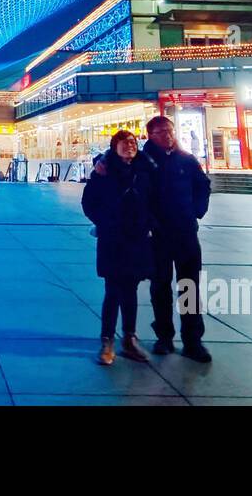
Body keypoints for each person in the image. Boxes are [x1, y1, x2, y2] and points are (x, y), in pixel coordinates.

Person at [82, 130, 156, 366]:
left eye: (133, 142)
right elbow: (89, 202)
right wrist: (105, 223)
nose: (129, 146)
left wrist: (148, 223)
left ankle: (129, 338)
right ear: (114, 147)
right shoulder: (103, 172)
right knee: (112, 290)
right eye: (123, 143)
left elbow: (154, 200)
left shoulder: (145, 170)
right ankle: (107, 341)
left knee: (131, 290)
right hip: (113, 239)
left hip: (137, 239)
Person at [144, 116, 213, 363]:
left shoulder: (186, 159)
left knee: (189, 286)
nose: (168, 135)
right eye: (161, 131)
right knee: (160, 286)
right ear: (150, 135)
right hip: (158, 235)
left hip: (186, 232)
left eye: (170, 130)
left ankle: (193, 340)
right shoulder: (144, 161)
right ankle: (164, 337)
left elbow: (203, 185)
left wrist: (197, 210)